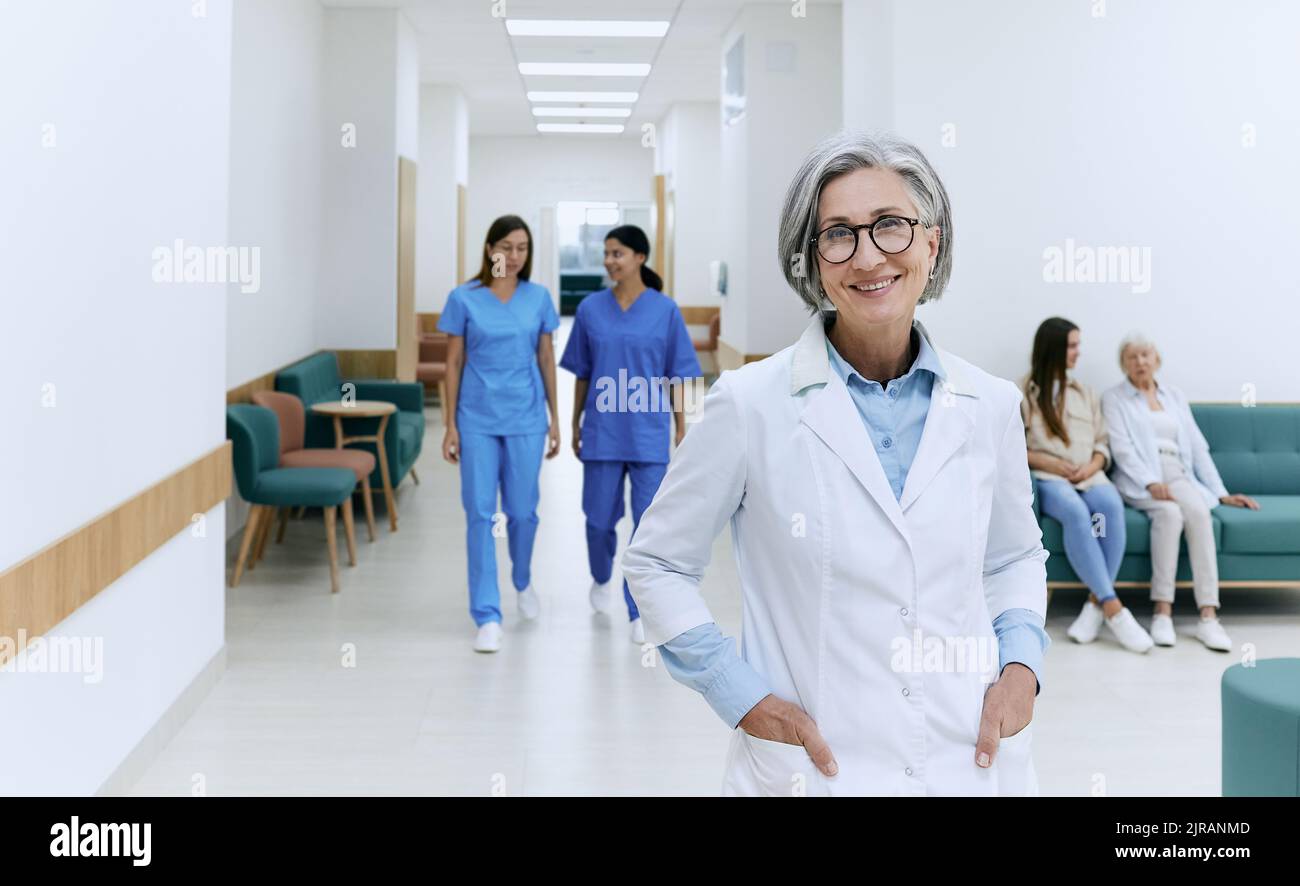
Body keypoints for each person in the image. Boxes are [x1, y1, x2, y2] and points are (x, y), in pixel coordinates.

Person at [623, 131, 1050, 796]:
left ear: (931, 244)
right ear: (814, 262)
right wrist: (741, 696)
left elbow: (1014, 558)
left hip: (968, 759)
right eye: (838, 235)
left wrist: (1022, 668)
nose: (867, 254)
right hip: (815, 769)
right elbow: (656, 563)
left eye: (891, 226)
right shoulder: (749, 404)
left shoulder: (990, 405)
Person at [559, 225, 701, 644]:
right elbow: (583, 373)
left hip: (647, 435)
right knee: (599, 520)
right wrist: (573, 423)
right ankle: (601, 576)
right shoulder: (590, 309)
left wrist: (683, 429)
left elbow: (681, 375)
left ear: (640, 257)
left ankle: (639, 610)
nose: (609, 261)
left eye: (617, 253)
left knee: (647, 527)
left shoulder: (665, 310)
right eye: (606, 253)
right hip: (602, 432)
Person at [438, 215, 561, 653]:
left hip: (527, 417)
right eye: (506, 247)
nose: (513, 256)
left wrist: (555, 418)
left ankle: (523, 580)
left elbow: (546, 359)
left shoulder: (538, 298)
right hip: (475, 419)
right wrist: (450, 423)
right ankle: (487, 614)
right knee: (479, 514)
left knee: (524, 512)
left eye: (522, 248)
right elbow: (452, 364)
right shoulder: (464, 298)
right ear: (490, 248)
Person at [1101, 334, 1259, 652]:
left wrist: (1220, 492)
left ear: (1156, 359)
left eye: (1145, 355)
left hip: (1178, 471)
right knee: (1170, 515)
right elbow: (1121, 448)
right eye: (1132, 357)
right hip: (1138, 476)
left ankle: (1208, 617)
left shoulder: (1174, 396)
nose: (1140, 362)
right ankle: (1163, 612)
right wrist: (1149, 482)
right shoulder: (1114, 398)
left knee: (1200, 513)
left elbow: (1198, 447)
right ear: (1123, 364)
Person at [1022, 318, 1152, 652]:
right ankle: (1114, 608)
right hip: (1051, 479)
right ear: (1053, 348)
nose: (1078, 353)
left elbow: (1102, 443)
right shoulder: (1023, 392)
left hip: (1090, 474)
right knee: (1077, 512)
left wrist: (1094, 465)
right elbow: (1013, 448)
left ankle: (1095, 605)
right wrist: (1050, 463)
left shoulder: (1086, 394)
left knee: (1109, 506)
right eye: (1072, 346)